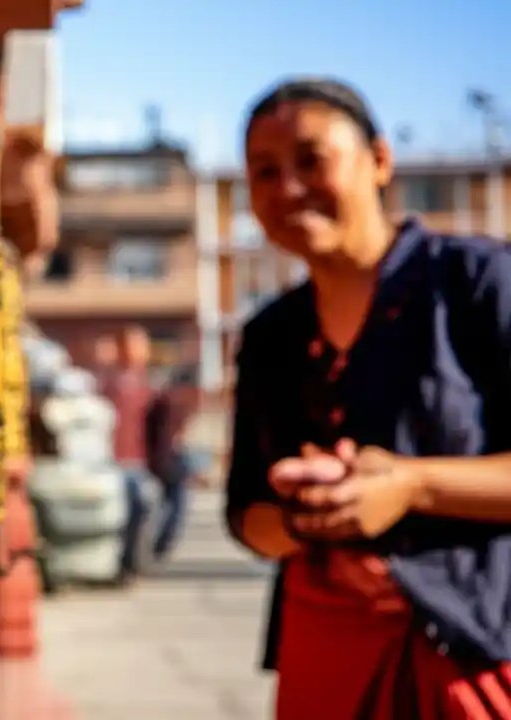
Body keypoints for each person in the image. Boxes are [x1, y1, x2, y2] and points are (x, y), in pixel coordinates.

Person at [225, 76, 511, 719]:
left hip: (472, 642)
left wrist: (410, 485)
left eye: (311, 160)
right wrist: (308, 511)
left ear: (380, 160)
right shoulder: (270, 334)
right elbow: (246, 513)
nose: (287, 189)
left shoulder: (480, 283)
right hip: (321, 654)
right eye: (264, 172)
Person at [100, 325, 154, 583]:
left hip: (139, 461)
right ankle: (122, 565)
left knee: (142, 510)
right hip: (114, 462)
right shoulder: (108, 385)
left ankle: (134, 562)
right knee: (124, 513)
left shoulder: (148, 385)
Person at [146, 364, 199, 561]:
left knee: (170, 505)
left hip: (166, 459)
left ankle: (160, 543)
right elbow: (168, 437)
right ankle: (162, 544)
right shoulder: (170, 403)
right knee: (176, 505)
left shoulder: (163, 402)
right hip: (170, 460)